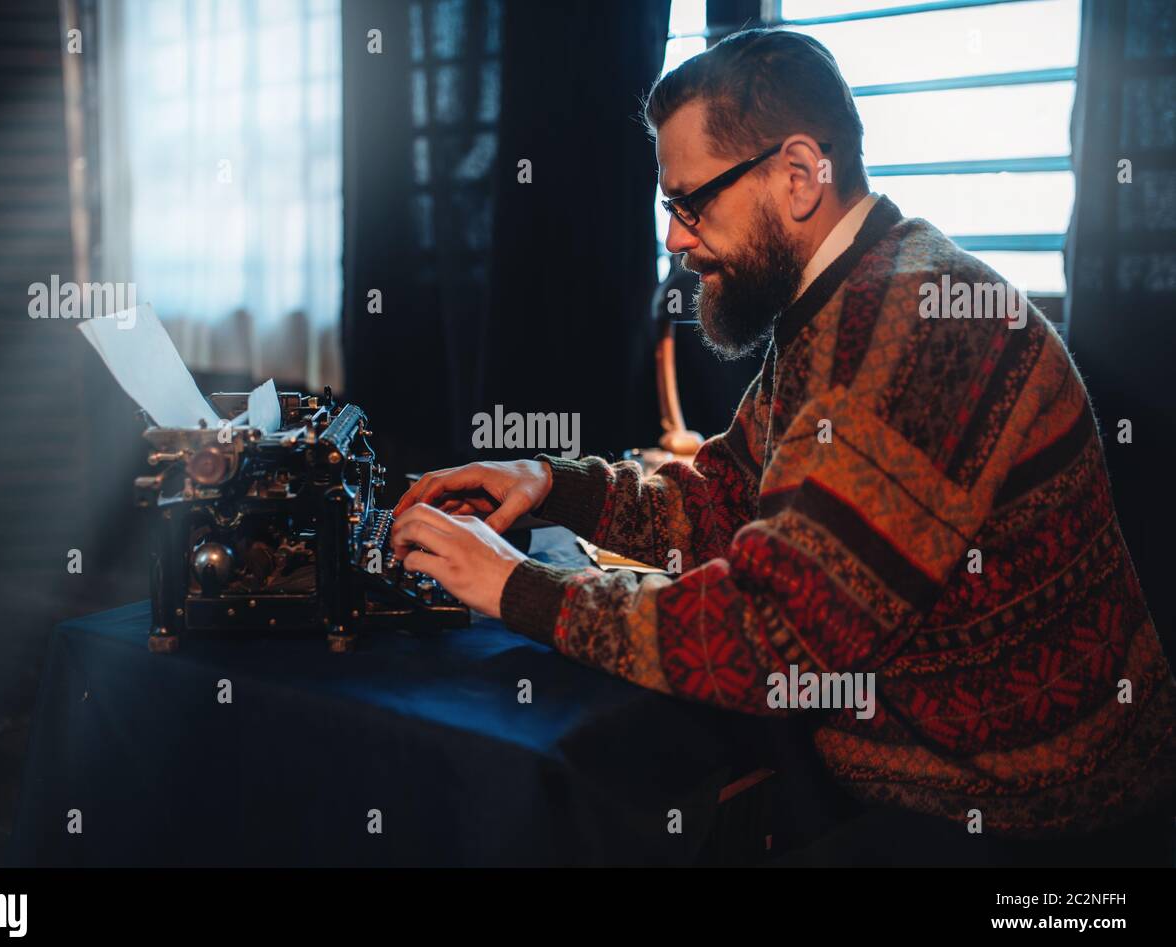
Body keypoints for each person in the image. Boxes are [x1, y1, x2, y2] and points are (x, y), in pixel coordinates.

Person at [390, 28, 1176, 857]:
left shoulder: (915, 329)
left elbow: (769, 633)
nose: (674, 240)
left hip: (1037, 823)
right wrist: (552, 482)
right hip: (919, 777)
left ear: (799, 176)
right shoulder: (846, 302)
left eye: (692, 203)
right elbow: (724, 499)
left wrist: (515, 585)